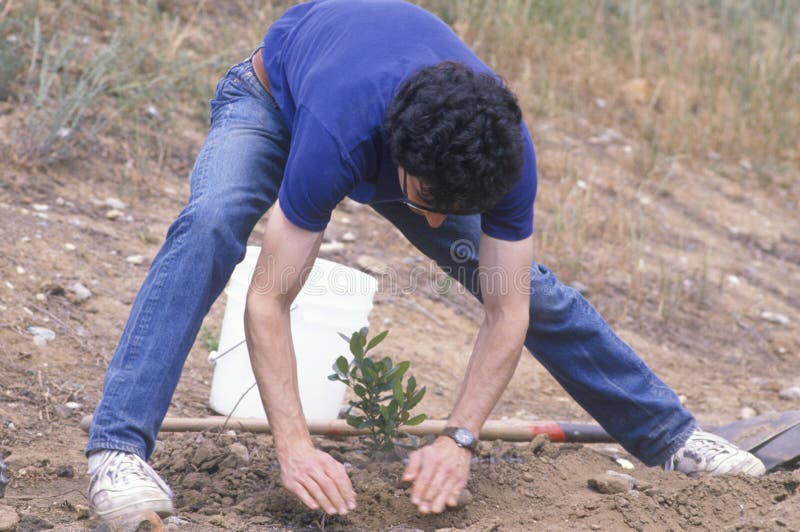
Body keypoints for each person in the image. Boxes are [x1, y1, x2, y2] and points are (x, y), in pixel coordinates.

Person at [85, 0, 765, 524]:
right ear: (396, 159)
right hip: (272, 100)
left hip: (408, 140)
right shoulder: (344, 132)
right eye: (426, 205)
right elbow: (269, 299)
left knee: (531, 288)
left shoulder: (501, 150)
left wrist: (458, 439)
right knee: (209, 226)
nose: (436, 224)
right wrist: (294, 446)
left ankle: (671, 437)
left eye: (454, 209)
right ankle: (118, 451)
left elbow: (508, 310)